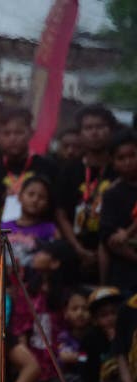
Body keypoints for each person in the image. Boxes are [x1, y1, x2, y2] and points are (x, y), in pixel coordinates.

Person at [5, 240, 85, 382]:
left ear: (55, 263)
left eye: (42, 252)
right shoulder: (28, 293)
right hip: (30, 373)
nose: (36, 254)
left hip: (56, 371)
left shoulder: (67, 298)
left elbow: (73, 337)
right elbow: (20, 334)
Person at [56, 104, 119, 282]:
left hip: (112, 249)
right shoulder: (70, 170)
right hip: (75, 247)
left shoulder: (121, 170)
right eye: (88, 128)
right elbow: (61, 213)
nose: (94, 133)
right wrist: (78, 248)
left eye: (100, 127)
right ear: (80, 133)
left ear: (111, 131)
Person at [0, 107, 57, 226]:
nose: (13, 138)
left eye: (19, 132)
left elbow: (54, 209)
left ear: (31, 133)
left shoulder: (47, 167)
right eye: (7, 133)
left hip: (37, 238)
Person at [84, 288, 137, 382]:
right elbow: (88, 370)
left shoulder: (127, 326)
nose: (110, 318)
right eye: (103, 315)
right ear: (94, 320)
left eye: (114, 313)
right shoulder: (92, 339)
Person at [100, 129, 137, 293]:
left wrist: (127, 233)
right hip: (125, 270)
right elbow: (110, 238)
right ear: (113, 162)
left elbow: (121, 237)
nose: (128, 162)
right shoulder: (112, 194)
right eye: (121, 158)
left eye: (133, 155)